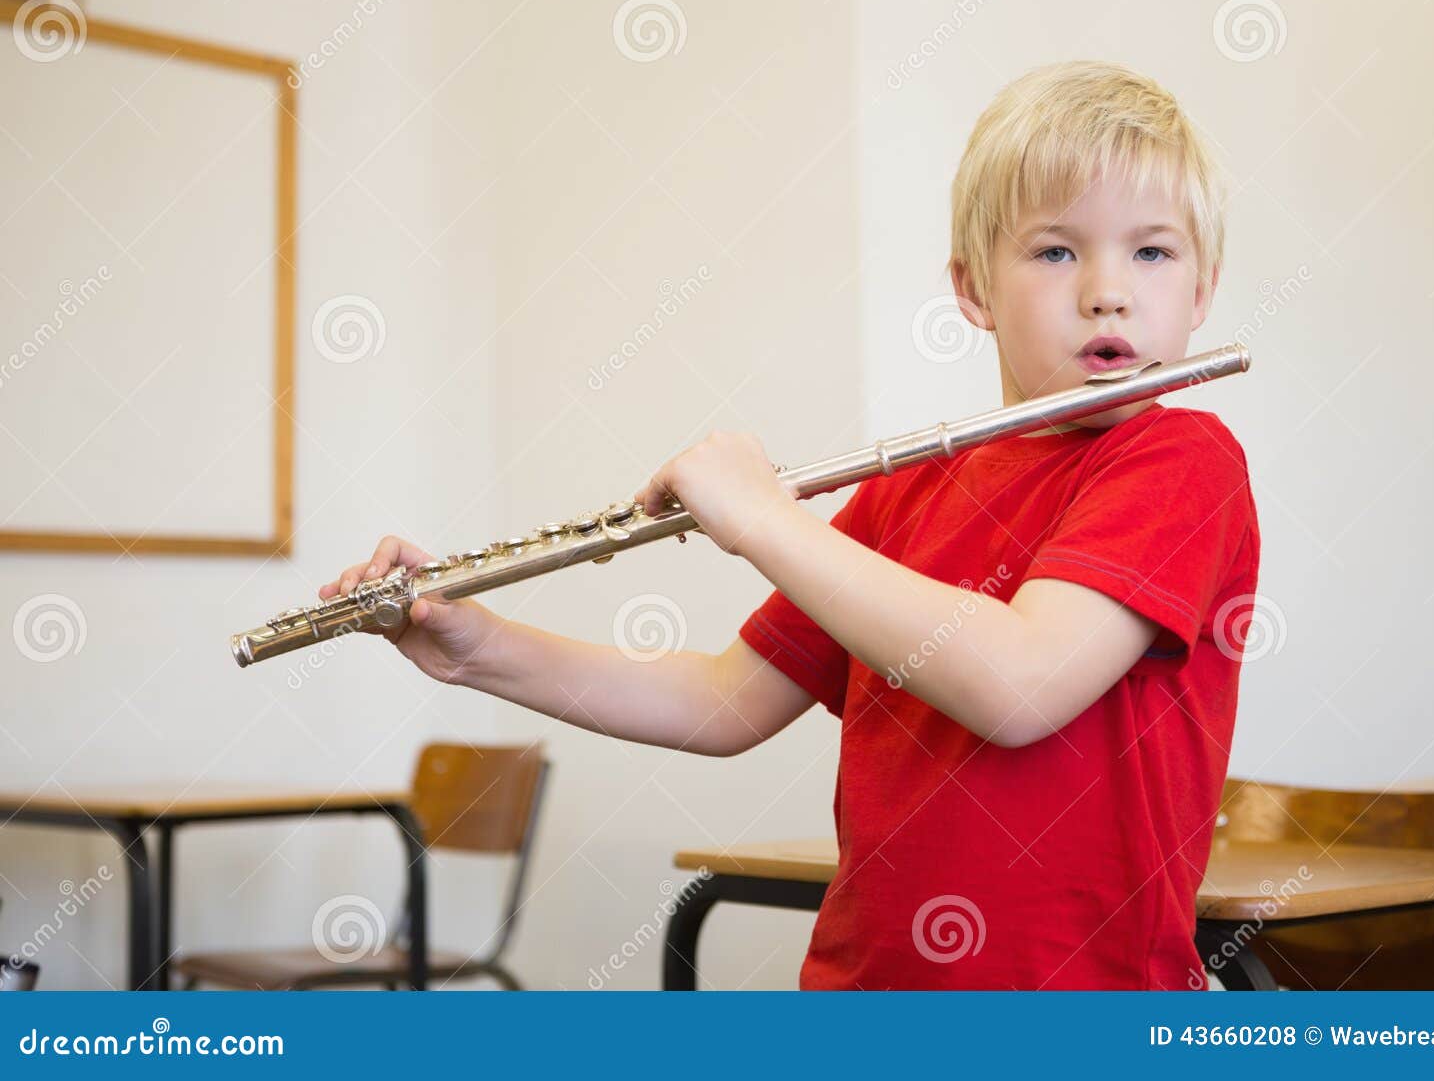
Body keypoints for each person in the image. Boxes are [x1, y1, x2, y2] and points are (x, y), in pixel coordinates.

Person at [322, 60, 1260, 990]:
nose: (1108, 289)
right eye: (1056, 250)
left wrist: (768, 520)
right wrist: (473, 647)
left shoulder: (1182, 463)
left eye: (1152, 251)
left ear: (1201, 290)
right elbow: (719, 702)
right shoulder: (911, 492)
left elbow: (1021, 682)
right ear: (974, 288)